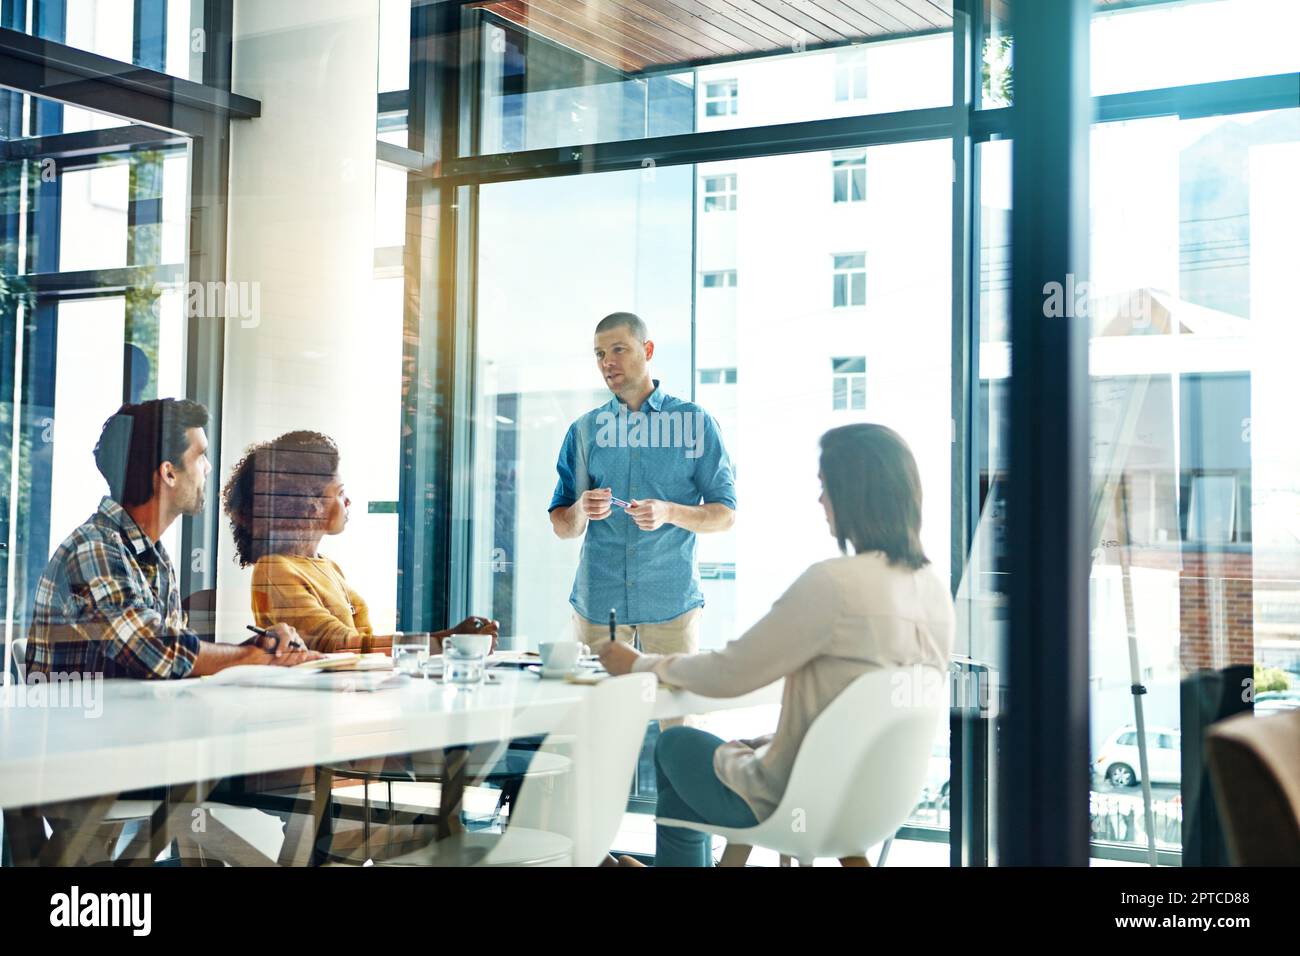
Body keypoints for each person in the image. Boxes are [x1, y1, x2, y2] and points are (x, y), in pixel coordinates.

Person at [599, 424, 955, 866]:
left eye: (826, 487)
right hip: (876, 805)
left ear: (853, 494)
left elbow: (730, 673)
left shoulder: (836, 585)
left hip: (799, 801)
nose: (820, 501)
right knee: (738, 748)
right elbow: (858, 715)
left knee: (675, 745)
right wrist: (777, 740)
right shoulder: (934, 591)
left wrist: (638, 664)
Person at [26, 399, 315, 679]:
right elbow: (153, 650)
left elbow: (176, 652)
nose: (208, 468)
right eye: (200, 455)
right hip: (85, 727)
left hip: (129, 724)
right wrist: (254, 659)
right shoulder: (93, 549)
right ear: (169, 473)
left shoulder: (153, 555)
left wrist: (251, 649)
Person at [549, 311, 736, 675]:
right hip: (598, 606)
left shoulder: (695, 424)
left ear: (647, 349)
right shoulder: (584, 431)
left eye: (618, 349)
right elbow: (562, 527)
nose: (608, 362)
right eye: (600, 354)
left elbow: (725, 515)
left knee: (675, 718)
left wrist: (669, 512)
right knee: (599, 721)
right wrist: (581, 509)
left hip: (670, 602)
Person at [222, 430, 497, 652]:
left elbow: (356, 644)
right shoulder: (276, 569)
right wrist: (442, 642)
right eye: (340, 493)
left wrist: (443, 642)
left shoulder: (326, 565)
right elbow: (339, 645)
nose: (348, 501)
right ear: (309, 504)